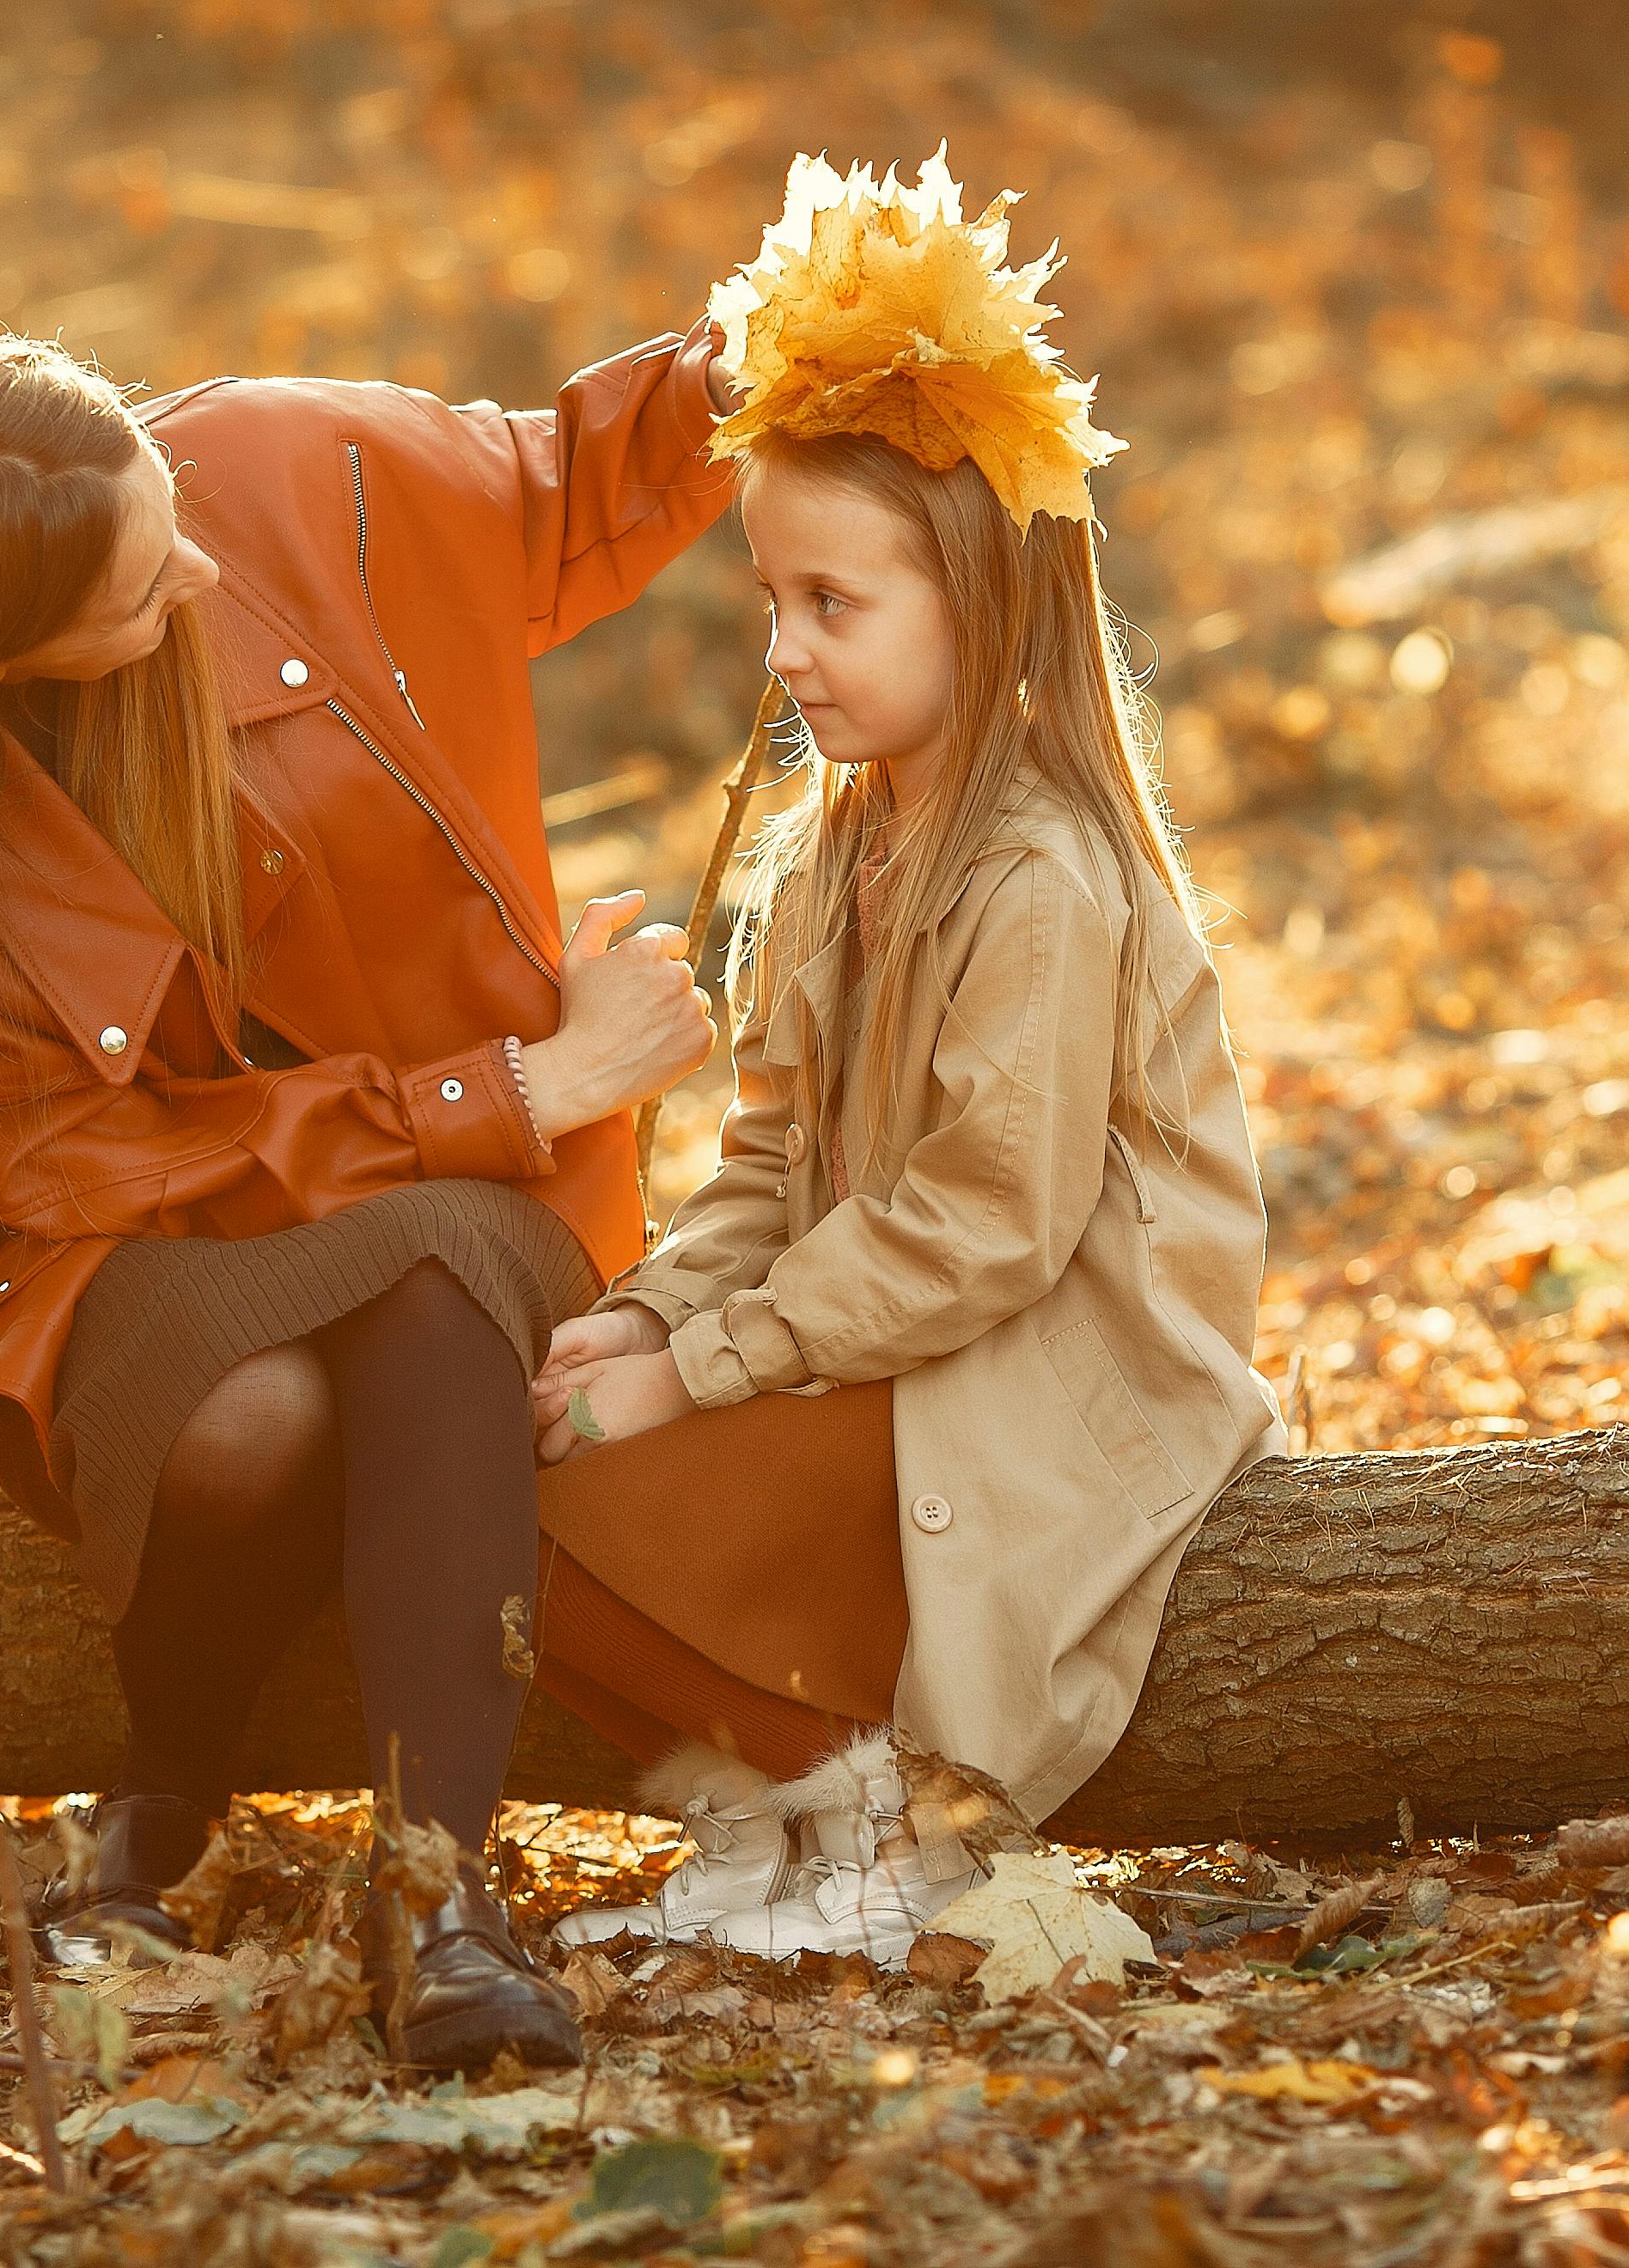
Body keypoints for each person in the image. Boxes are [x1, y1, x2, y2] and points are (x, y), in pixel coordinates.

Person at [0, 314, 741, 2070]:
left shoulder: (276, 463)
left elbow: (560, 483)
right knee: (255, 1416)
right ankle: (167, 1794)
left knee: (428, 1272)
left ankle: (438, 1906)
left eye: (164, 507)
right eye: (136, 589)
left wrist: (766, 353)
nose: (197, 569)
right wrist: (505, 1092)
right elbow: (99, 1172)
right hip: (123, 1271)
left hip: (466, 1207)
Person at [520, 155, 1284, 1960]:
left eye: (832, 606)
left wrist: (703, 1373)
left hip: (1048, 1351)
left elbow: (988, 1227)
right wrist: (649, 1317)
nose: (784, 652)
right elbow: (770, 1168)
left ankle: (894, 1827)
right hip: (882, 1322)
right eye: (770, 601)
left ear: (977, 595)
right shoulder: (832, 849)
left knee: (588, 1494)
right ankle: (774, 1820)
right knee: (507, 1466)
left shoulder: (1039, 875)